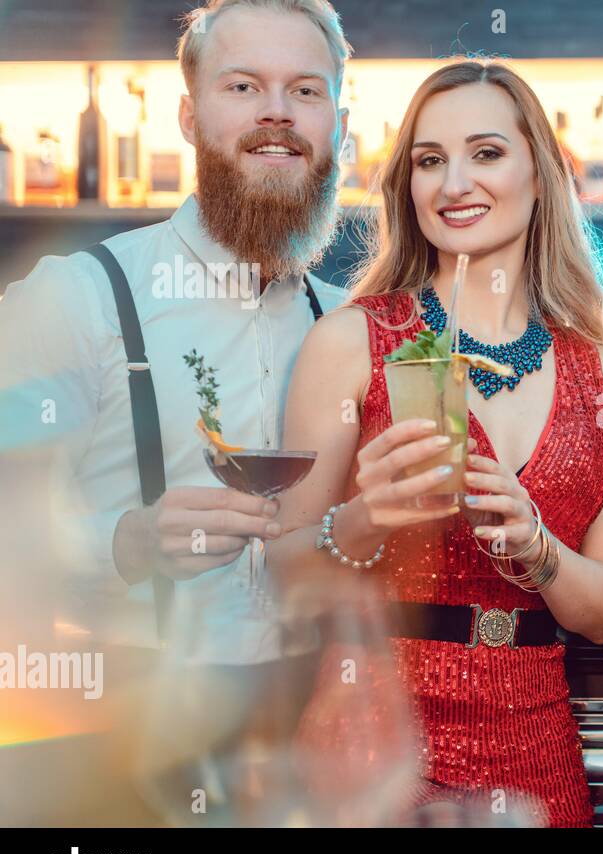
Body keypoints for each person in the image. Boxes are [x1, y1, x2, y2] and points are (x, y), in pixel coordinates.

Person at [269, 60, 603, 828]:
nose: (452, 184)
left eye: (486, 153)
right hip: (374, 738)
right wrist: (366, 518)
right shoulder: (351, 343)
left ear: (539, 175)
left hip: (537, 744)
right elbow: (280, 572)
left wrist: (538, 548)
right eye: (429, 161)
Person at [0, 0, 352, 666]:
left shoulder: (348, 323)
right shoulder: (78, 295)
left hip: (314, 723)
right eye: (243, 86)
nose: (277, 112)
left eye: (305, 90)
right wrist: (124, 541)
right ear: (189, 119)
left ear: (338, 124)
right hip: (125, 730)